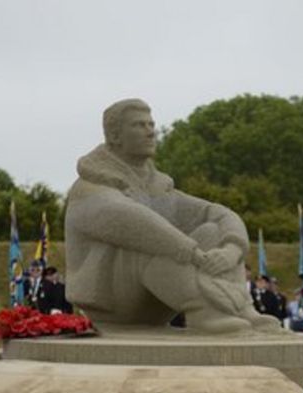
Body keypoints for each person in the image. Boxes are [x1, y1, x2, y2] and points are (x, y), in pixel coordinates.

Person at [64, 98, 279, 333]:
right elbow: (127, 217)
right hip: (115, 303)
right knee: (147, 240)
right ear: (115, 136)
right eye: (139, 125)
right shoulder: (88, 187)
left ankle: (239, 309)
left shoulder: (159, 186)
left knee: (212, 229)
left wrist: (232, 249)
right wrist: (187, 248)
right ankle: (204, 311)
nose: (150, 132)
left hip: (158, 301)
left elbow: (218, 213)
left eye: (151, 124)